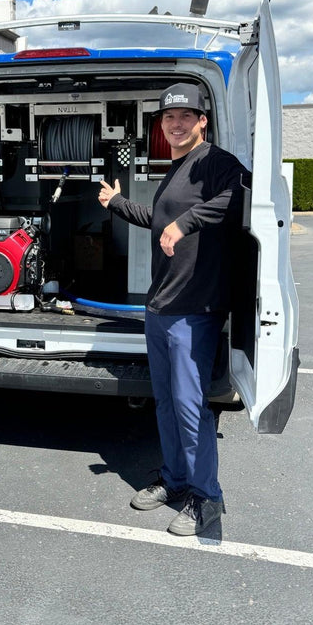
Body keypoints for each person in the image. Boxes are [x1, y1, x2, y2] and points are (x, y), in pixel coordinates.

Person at [97, 82, 247, 536]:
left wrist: (186, 222)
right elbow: (160, 222)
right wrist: (118, 204)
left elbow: (240, 197)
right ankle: (176, 479)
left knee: (189, 406)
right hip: (161, 306)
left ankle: (207, 499)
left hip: (193, 308)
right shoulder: (177, 167)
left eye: (185, 117)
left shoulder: (217, 163)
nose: (176, 124)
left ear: (203, 121)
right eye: (168, 118)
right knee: (164, 401)